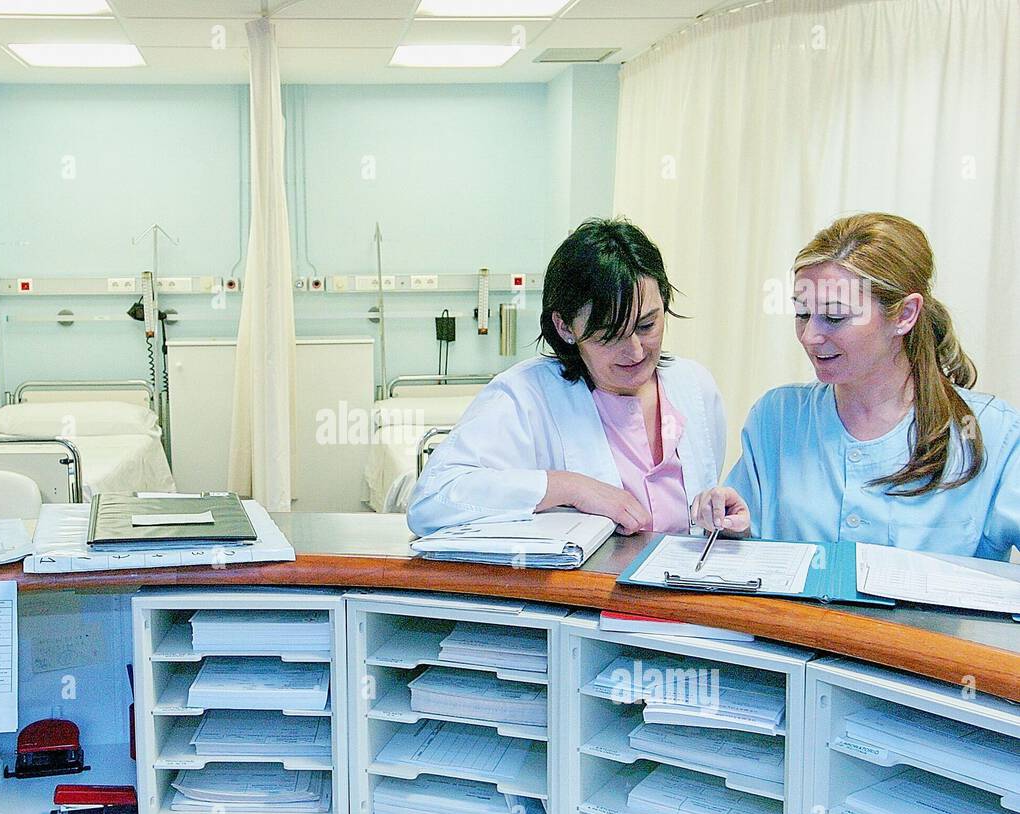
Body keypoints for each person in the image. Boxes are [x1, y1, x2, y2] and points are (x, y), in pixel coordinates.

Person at [691, 212, 1020, 560]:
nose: (810, 336)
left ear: (905, 315)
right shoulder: (778, 419)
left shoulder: (990, 432)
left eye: (835, 317)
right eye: (802, 314)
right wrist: (731, 532)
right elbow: (738, 554)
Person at [407, 217, 726, 538]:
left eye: (647, 326)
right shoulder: (525, 396)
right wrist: (568, 486)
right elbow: (432, 501)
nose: (636, 351)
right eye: (610, 335)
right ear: (565, 327)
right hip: (580, 587)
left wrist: (720, 516)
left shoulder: (694, 387)